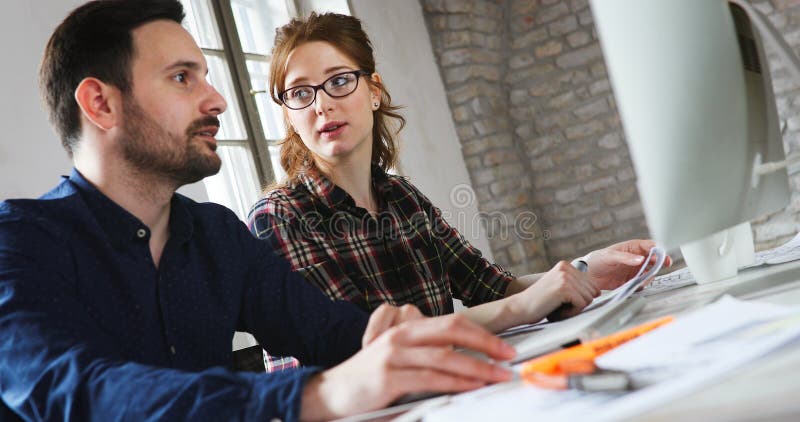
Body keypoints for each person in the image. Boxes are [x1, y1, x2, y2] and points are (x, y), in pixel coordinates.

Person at [0, 1, 520, 420]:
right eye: (183, 78)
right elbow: (74, 392)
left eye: (205, 75)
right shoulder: (19, 242)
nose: (217, 100)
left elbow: (323, 329)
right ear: (100, 104)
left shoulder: (214, 235)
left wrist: (388, 336)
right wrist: (313, 395)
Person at [248, 12, 670, 350]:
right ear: (288, 114)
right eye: (300, 93)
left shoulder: (401, 198)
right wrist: (525, 306)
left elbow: (491, 287)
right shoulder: (278, 218)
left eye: (339, 81)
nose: (321, 104)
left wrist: (587, 270)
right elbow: (369, 342)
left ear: (374, 91)